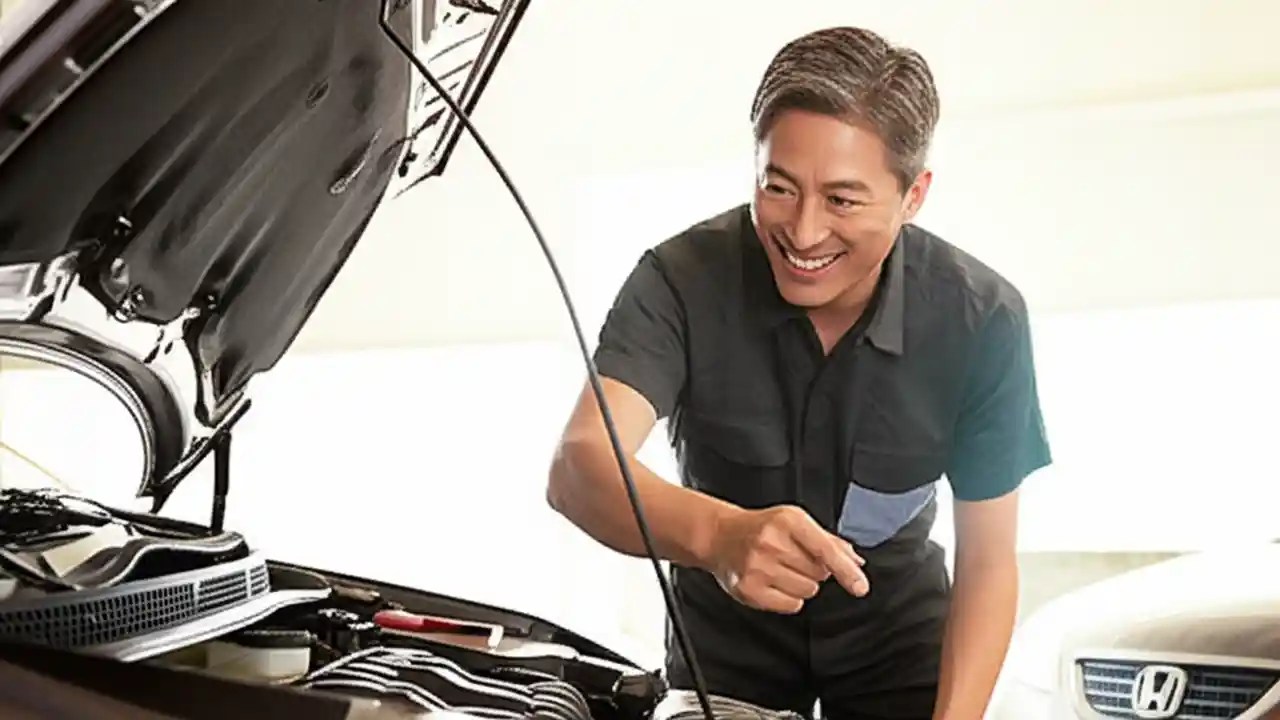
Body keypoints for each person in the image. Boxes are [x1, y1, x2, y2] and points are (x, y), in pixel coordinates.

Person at [546, 26, 1051, 720]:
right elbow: (578, 466)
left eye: (842, 200)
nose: (804, 233)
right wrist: (718, 537)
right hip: (721, 661)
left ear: (914, 196)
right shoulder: (678, 280)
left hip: (901, 654)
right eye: (778, 188)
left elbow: (990, 561)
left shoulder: (984, 319)